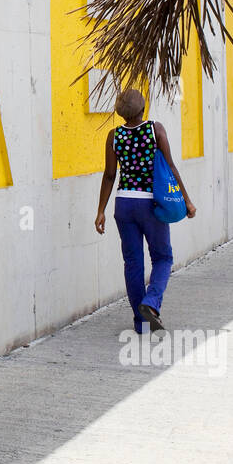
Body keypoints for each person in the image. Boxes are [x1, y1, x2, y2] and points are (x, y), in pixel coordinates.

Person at [95, 89, 196, 334]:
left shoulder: (114, 135)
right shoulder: (155, 129)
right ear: (143, 109)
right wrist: (187, 201)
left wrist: (100, 211)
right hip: (151, 204)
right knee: (163, 257)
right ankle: (151, 302)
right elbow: (170, 167)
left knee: (132, 263)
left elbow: (109, 175)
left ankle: (141, 323)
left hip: (124, 204)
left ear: (120, 113)